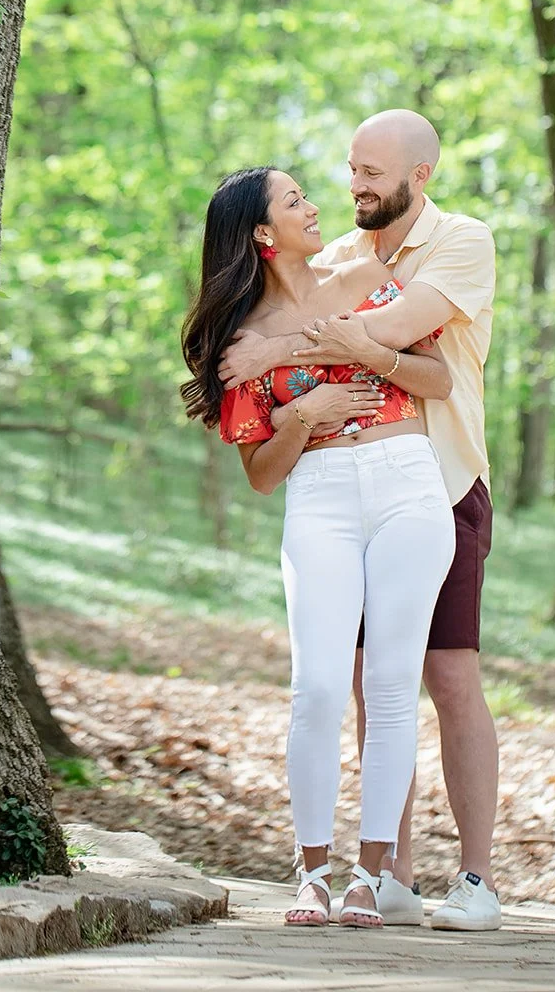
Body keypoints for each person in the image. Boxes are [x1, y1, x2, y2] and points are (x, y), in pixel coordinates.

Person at [219, 111, 501, 931]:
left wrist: (273, 355)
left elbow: (398, 337)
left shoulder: (460, 242)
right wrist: (296, 391)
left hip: (441, 479)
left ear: (419, 176)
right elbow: (294, 322)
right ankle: (388, 876)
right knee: (353, 688)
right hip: (332, 490)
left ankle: (475, 881)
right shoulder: (340, 258)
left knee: (446, 680)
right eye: (348, 170)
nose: (352, 186)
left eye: (370, 172)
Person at [181, 165, 456, 929]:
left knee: (395, 684)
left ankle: (370, 876)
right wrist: (305, 414)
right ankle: (310, 873)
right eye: (294, 200)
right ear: (262, 234)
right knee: (318, 687)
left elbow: (438, 380)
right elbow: (263, 475)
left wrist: (362, 358)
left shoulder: (371, 271)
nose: (315, 206)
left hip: (407, 479)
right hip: (321, 496)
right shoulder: (239, 341)